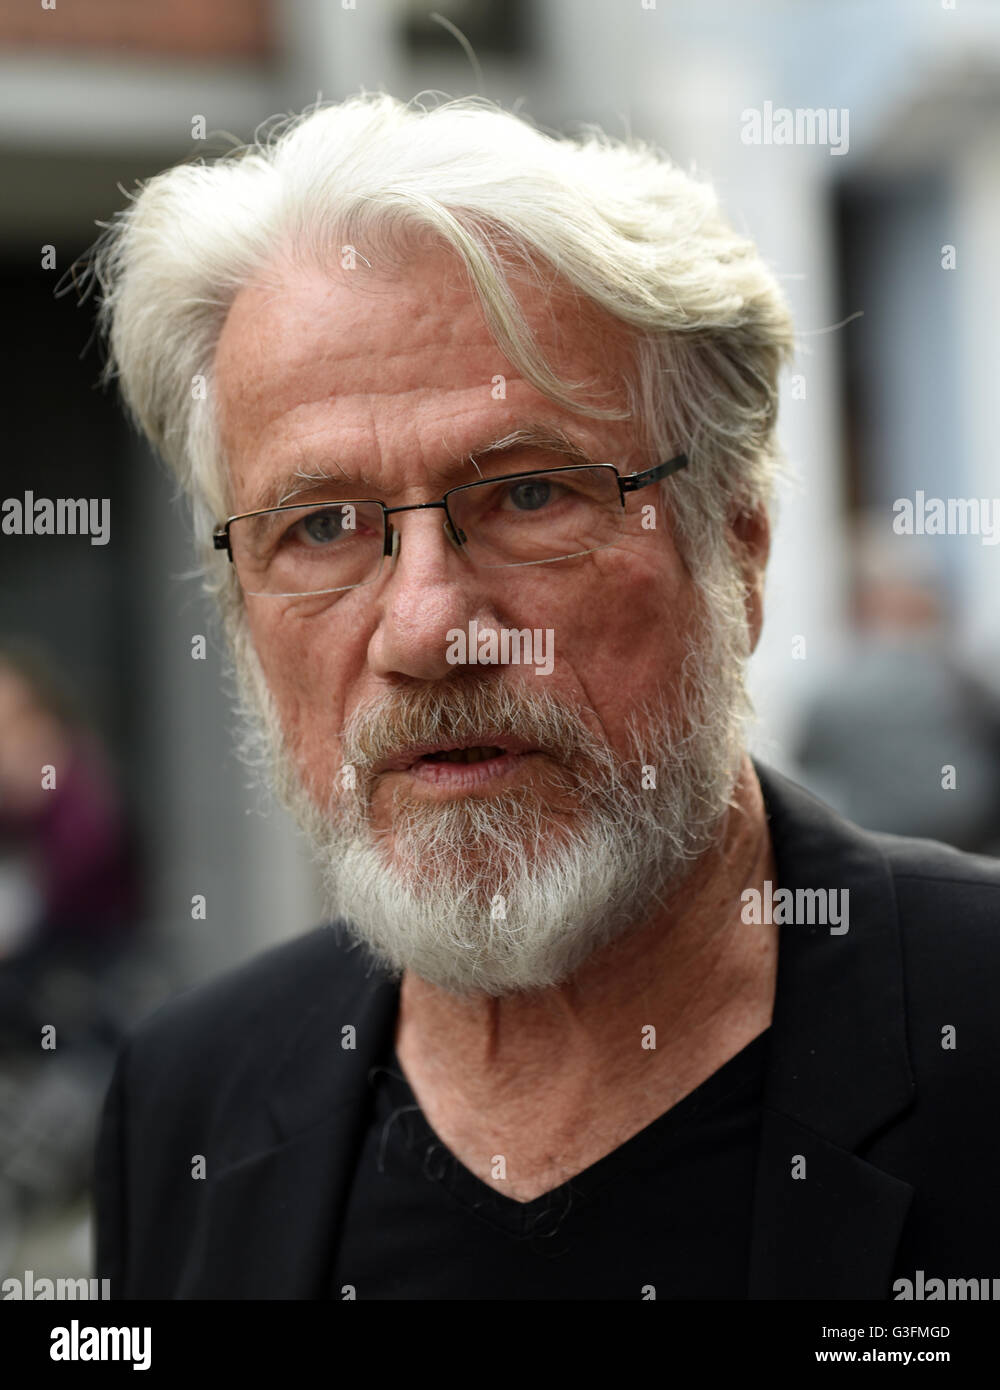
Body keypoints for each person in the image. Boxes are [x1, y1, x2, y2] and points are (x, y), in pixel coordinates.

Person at [87, 92, 1000, 1300]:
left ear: (736, 546)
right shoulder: (186, 1101)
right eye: (320, 526)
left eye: (528, 497)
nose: (424, 628)